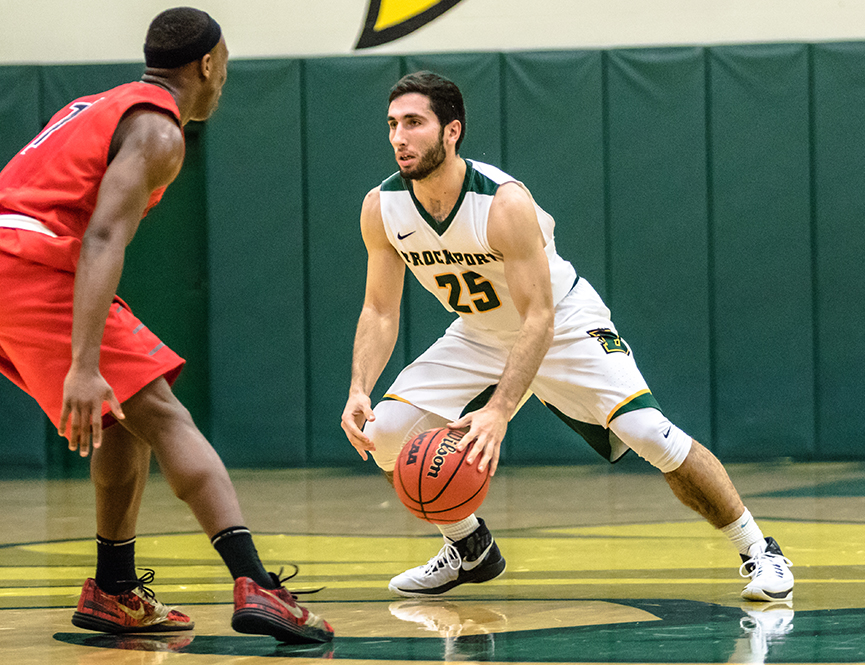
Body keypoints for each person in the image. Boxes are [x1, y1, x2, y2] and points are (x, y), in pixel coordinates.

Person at [0, 7, 332, 644]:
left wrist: (94, 371)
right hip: (26, 262)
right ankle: (257, 583)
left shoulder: (97, 103)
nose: (225, 78)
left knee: (126, 414)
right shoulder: (159, 132)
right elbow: (100, 238)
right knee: (164, 411)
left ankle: (114, 589)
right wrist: (84, 363)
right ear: (207, 64)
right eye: (225, 65)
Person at [340, 70, 793, 603]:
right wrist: (359, 388)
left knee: (648, 432)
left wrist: (500, 409)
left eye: (414, 123)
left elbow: (539, 317)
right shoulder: (383, 207)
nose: (399, 136)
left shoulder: (503, 201)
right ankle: (468, 546)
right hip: (479, 332)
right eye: (392, 124)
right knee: (385, 432)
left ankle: (760, 549)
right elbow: (379, 310)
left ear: (452, 131)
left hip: (564, 323)